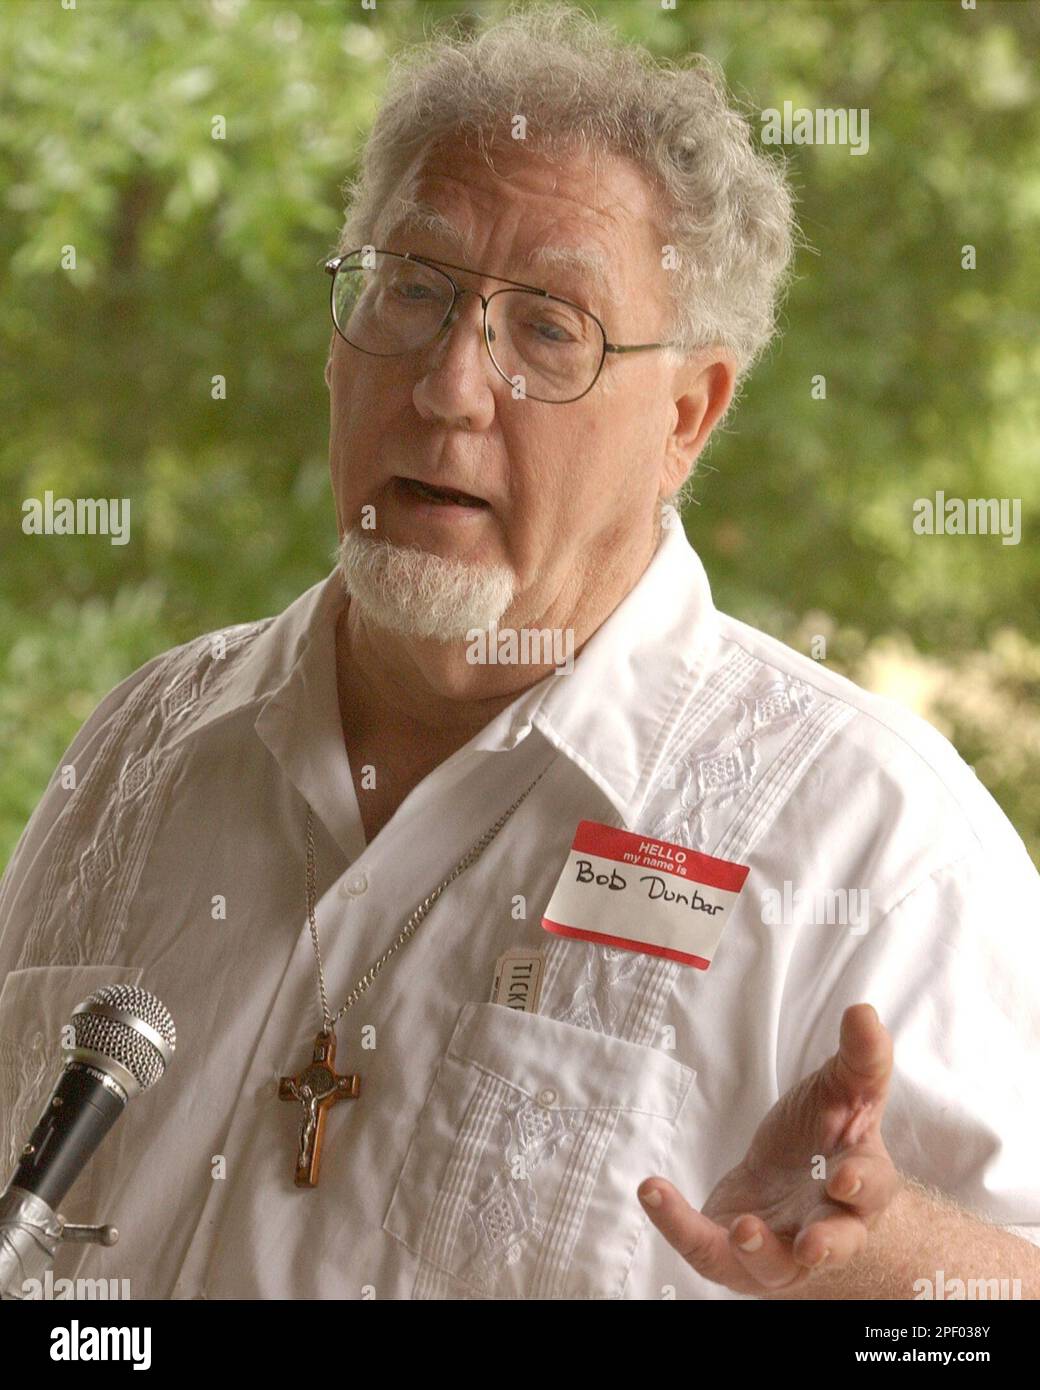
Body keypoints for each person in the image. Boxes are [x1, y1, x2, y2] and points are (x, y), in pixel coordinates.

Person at [1, 4, 1037, 1301]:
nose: (446, 385)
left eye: (548, 328)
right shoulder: (138, 750)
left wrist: (882, 1259)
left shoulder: (874, 845)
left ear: (686, 417)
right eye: (413, 292)